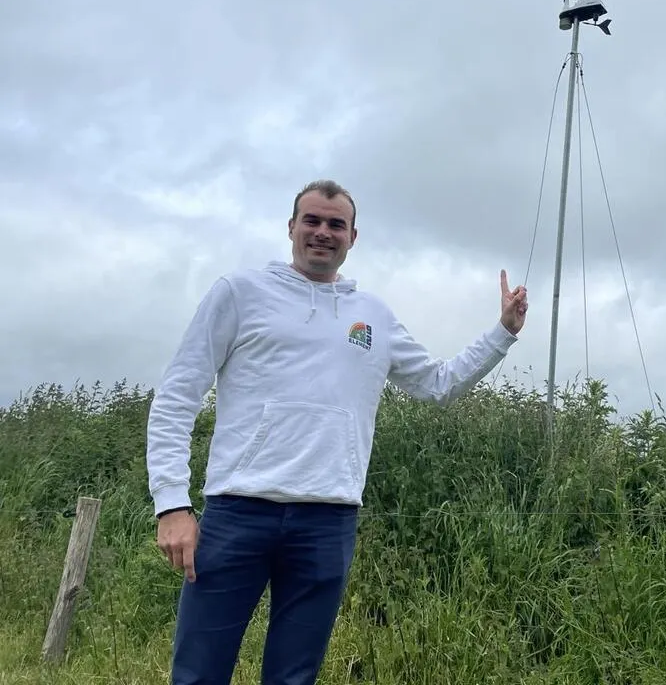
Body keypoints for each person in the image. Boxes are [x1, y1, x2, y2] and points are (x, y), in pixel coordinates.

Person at [146, 179, 528, 684]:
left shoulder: (373, 315)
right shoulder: (239, 293)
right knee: (199, 672)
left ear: (353, 236)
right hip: (238, 514)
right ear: (291, 228)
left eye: (335, 224)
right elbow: (177, 395)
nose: (323, 233)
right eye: (312, 221)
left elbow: (438, 384)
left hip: (327, 522)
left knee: (293, 677)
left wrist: (502, 333)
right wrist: (172, 504)